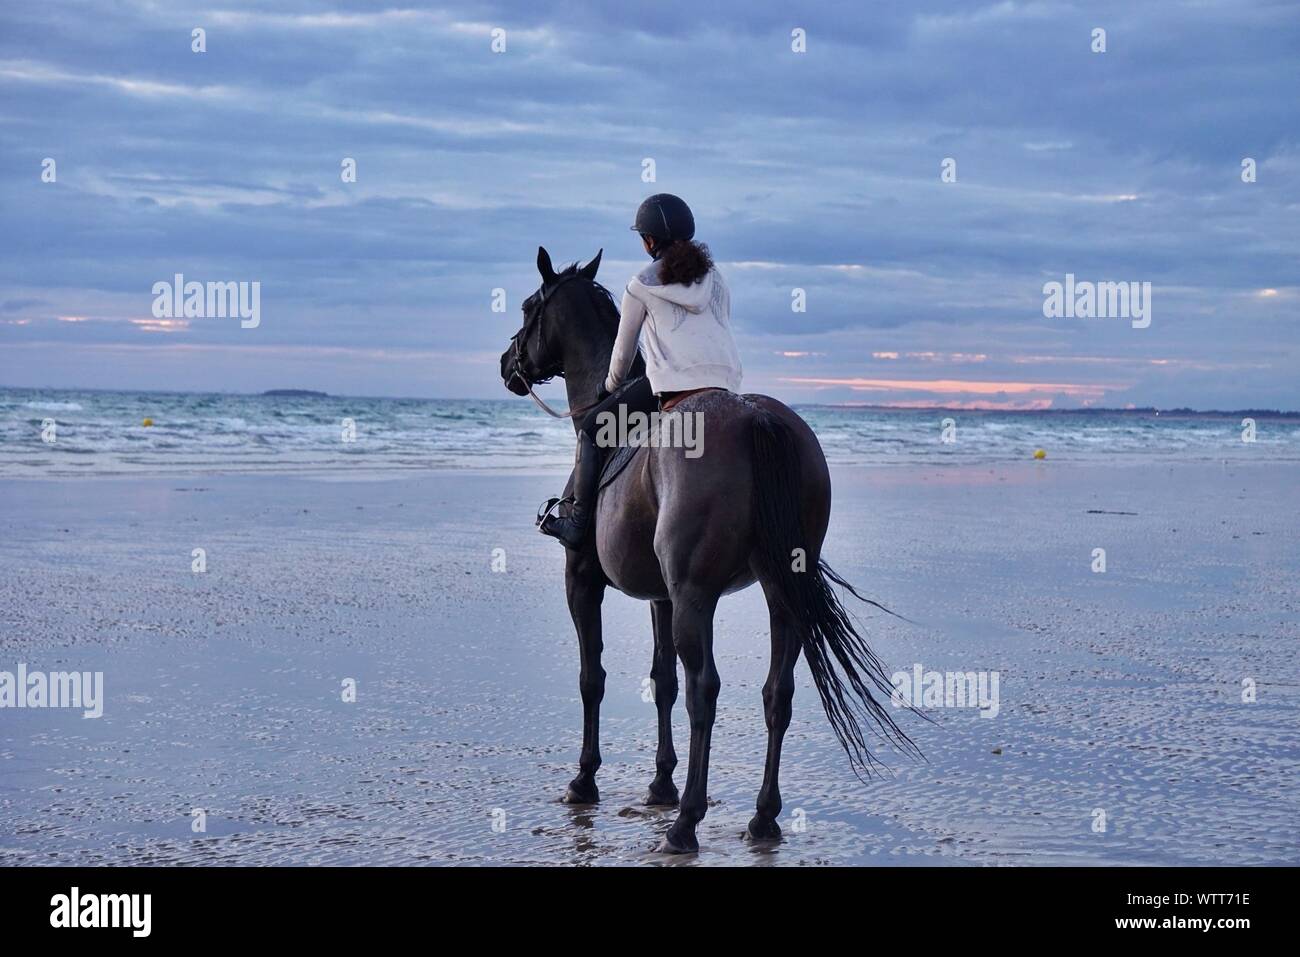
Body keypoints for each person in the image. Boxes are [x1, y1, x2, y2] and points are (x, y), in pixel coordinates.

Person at [539, 193, 743, 548]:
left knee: (590, 432)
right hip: (725, 386)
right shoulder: (717, 278)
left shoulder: (641, 285)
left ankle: (576, 523)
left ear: (649, 241)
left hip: (672, 387)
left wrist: (609, 387)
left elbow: (623, 353)